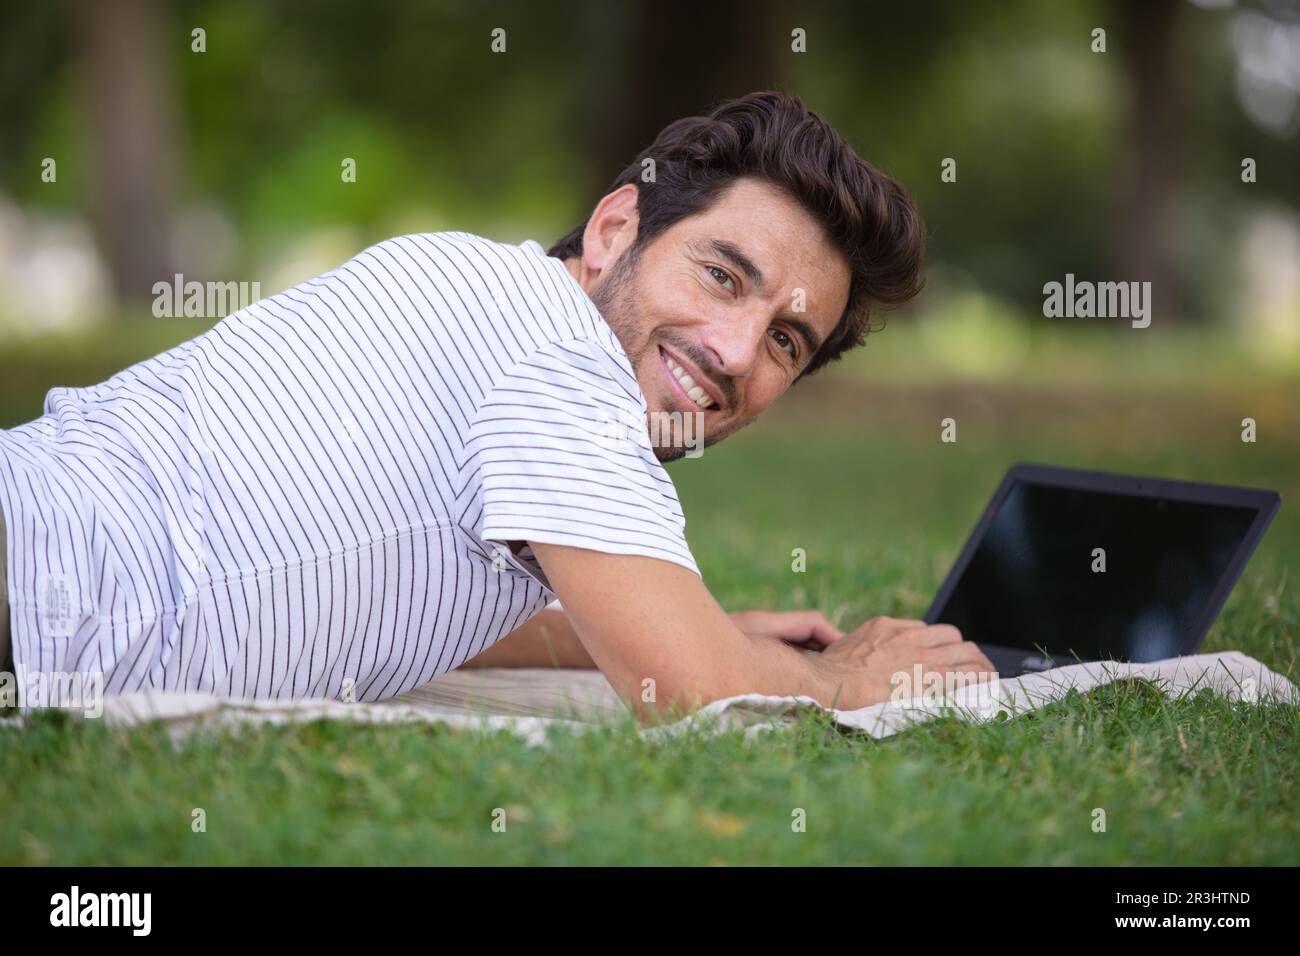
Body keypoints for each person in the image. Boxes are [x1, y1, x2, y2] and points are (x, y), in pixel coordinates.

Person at [0, 91, 994, 719]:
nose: (736, 352)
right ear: (614, 229)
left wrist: (681, 621)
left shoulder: (489, 294)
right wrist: (846, 681)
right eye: (724, 275)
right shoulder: (559, 361)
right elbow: (687, 688)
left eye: (785, 339)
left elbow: (384, 595)